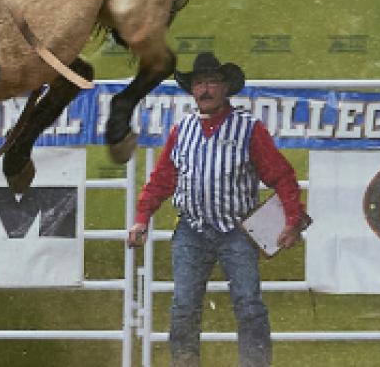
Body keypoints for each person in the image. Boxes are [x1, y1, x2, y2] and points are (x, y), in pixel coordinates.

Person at [126, 52, 305, 367]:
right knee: (184, 306)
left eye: (211, 82)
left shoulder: (249, 129)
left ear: (225, 88)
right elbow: (161, 180)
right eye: (199, 83)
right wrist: (142, 218)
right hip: (191, 229)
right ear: (192, 90)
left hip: (237, 230)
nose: (205, 90)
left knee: (249, 305)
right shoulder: (182, 130)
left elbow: (281, 175)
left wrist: (292, 220)